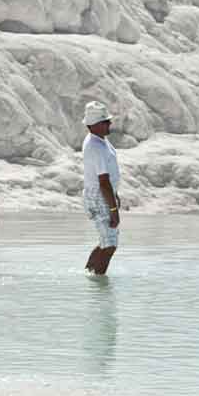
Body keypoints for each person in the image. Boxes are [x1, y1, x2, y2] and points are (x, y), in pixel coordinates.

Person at [81, 101, 121, 275]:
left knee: (107, 242)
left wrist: (115, 194)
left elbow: (108, 179)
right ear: (95, 125)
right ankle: (98, 284)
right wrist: (113, 209)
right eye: (106, 122)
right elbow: (103, 181)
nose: (109, 124)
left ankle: (89, 274)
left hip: (103, 194)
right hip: (99, 196)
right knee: (110, 245)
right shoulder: (95, 147)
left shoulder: (100, 140)